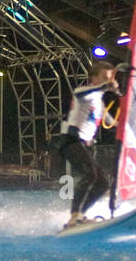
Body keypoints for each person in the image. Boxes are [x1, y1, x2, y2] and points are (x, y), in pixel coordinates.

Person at [51, 61, 119, 229]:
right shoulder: (83, 92)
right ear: (94, 78)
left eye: (109, 79)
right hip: (71, 141)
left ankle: (80, 215)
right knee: (91, 175)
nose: (107, 82)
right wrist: (106, 86)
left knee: (102, 183)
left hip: (85, 145)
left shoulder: (99, 101)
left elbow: (112, 123)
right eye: (104, 78)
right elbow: (87, 92)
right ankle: (74, 218)